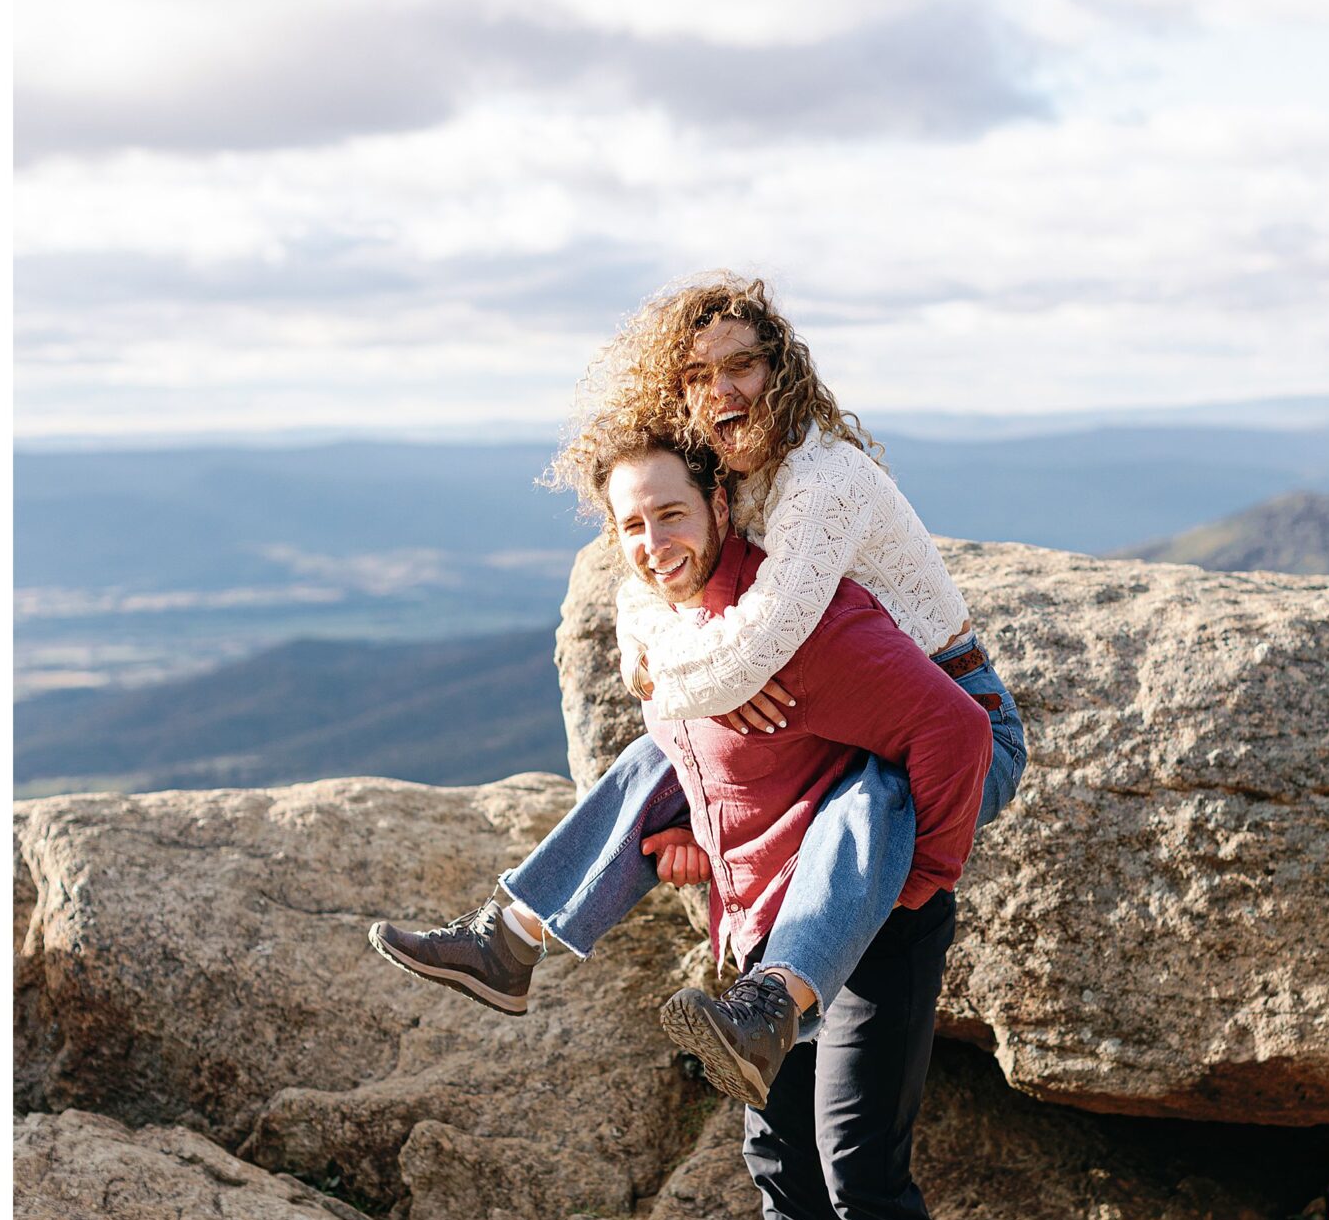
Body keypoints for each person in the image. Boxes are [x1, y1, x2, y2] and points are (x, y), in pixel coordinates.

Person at [429, 424, 1003, 1220]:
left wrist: (919, 880)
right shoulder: (689, 633)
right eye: (630, 523)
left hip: (869, 914)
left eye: (671, 513)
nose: (652, 540)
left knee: (858, 1165)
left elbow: (958, 736)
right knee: (778, 1151)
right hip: (763, 918)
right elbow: (726, 780)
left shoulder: (804, 614)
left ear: (723, 508)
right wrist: (694, 843)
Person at [370, 274, 1026, 1106]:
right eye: (694, 375)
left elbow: (754, 651)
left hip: (954, 721)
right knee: (658, 757)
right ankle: (512, 936)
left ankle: (768, 1006)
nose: (720, 389)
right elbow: (642, 594)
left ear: (780, 370)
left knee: (874, 792)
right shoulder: (724, 475)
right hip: (848, 716)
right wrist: (678, 702)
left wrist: (919, 876)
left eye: (741, 365)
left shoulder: (821, 484)